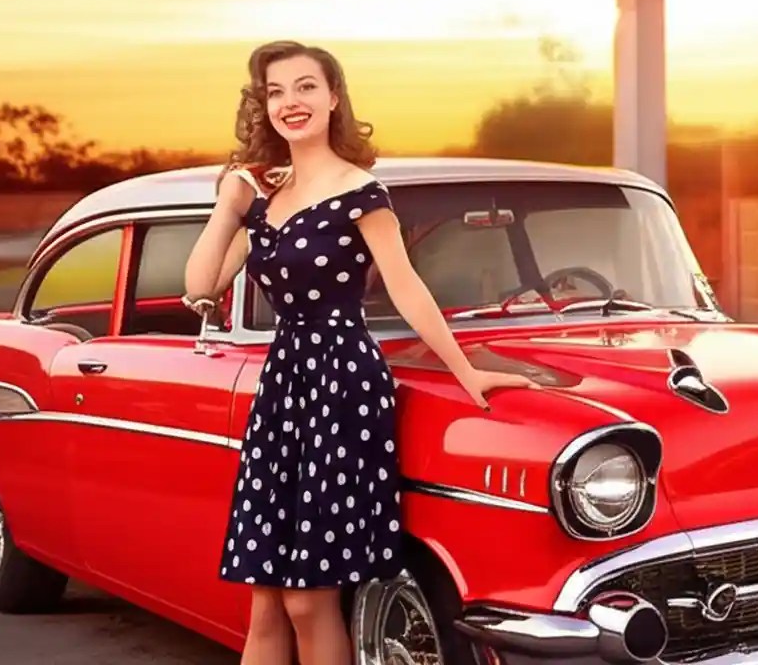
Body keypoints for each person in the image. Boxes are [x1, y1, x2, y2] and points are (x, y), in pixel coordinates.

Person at [181, 40, 537, 665]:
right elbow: (199, 286)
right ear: (263, 107)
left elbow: (406, 287)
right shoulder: (264, 198)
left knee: (308, 599)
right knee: (264, 597)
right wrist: (230, 203)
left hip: (342, 383)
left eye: (306, 87)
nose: (291, 102)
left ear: (334, 97)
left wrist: (465, 370)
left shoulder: (361, 191)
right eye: (276, 92)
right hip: (284, 388)